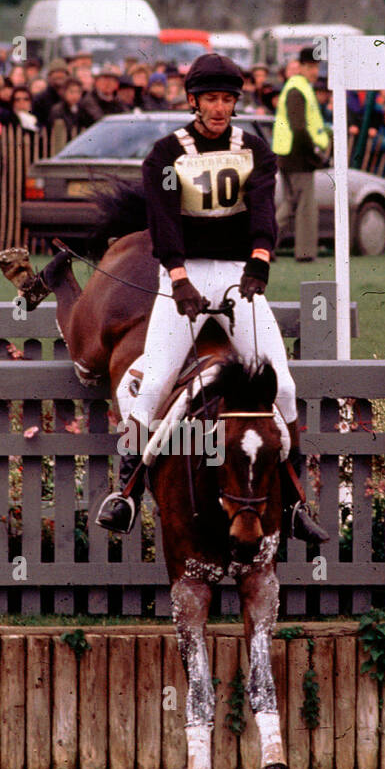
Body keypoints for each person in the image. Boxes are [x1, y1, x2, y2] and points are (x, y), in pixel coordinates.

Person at [95, 52, 328, 546]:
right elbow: (163, 220)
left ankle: (294, 500)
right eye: (210, 99)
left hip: (237, 273)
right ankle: (127, 491)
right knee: (155, 381)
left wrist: (260, 264)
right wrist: (178, 279)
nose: (219, 108)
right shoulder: (164, 153)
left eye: (227, 99)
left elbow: (263, 213)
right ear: (193, 101)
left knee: (282, 386)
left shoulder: (257, 151)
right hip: (184, 272)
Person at [271, 45, 330, 262]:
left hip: (288, 153)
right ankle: (305, 253)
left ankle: (264, 247)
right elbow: (299, 128)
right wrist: (314, 156)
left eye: (317, 66)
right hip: (298, 154)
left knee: (290, 203)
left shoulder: (296, 87)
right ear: (301, 67)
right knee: (305, 206)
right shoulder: (298, 89)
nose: (315, 71)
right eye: (311, 66)